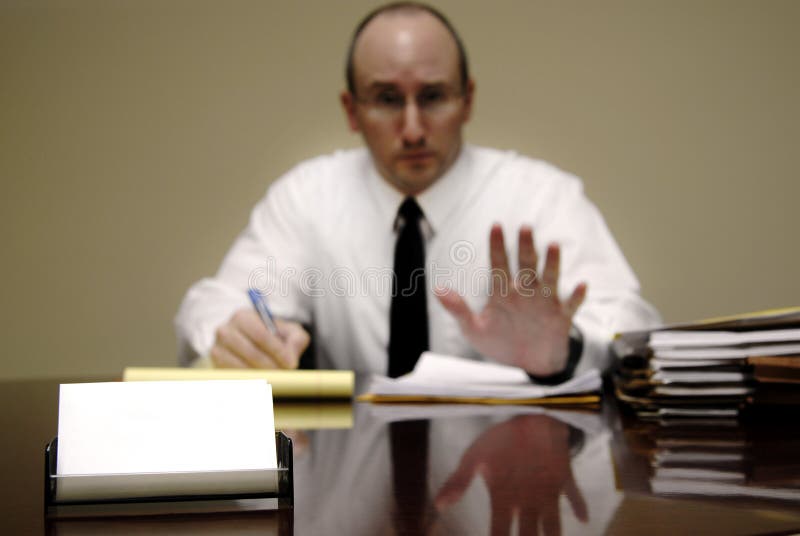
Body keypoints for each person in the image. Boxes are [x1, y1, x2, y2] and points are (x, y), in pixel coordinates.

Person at [175, 2, 660, 380]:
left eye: (432, 97)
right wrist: (233, 331)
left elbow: (632, 329)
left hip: (513, 481)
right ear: (351, 110)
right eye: (387, 100)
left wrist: (566, 348)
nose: (412, 129)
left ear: (467, 99)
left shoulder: (543, 199)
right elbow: (214, 306)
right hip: (347, 484)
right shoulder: (306, 199)